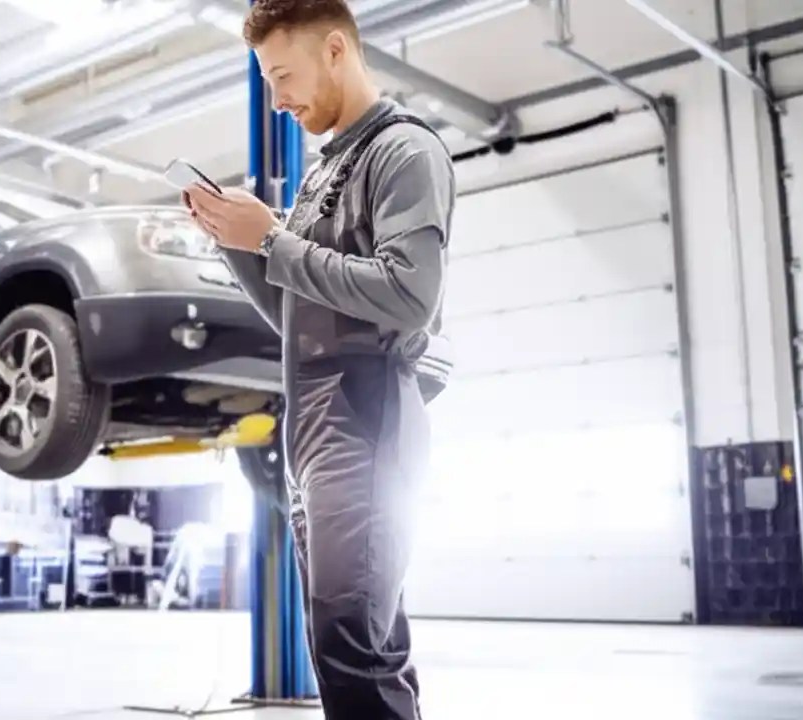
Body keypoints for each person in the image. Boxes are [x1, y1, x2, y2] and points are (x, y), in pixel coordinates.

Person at [182, 1, 454, 718]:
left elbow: (408, 295)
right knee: (357, 637)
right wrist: (239, 245)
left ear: (335, 49)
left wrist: (272, 241)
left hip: (368, 418)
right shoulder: (321, 174)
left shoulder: (403, 152)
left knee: (350, 643)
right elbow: (296, 316)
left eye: (282, 76)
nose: (276, 100)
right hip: (315, 426)